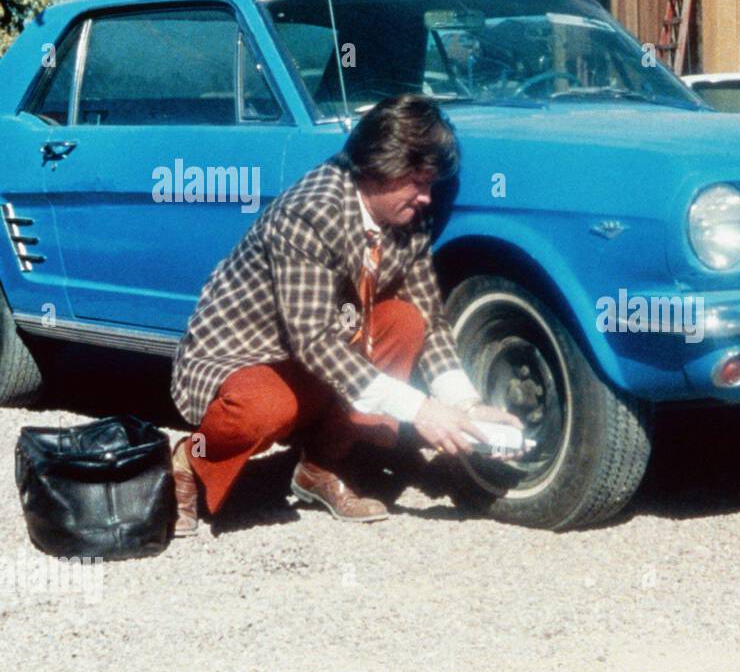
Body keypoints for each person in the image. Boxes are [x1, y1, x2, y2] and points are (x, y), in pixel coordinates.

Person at [168, 94, 520, 534]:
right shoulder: (310, 211)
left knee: (406, 321)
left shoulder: (408, 212)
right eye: (417, 182)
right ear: (378, 168)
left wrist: (468, 405)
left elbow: (429, 321)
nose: (428, 197)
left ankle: (319, 466)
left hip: (325, 347)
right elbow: (313, 340)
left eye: (431, 183)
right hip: (243, 354)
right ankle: (189, 458)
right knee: (264, 408)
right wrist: (422, 410)